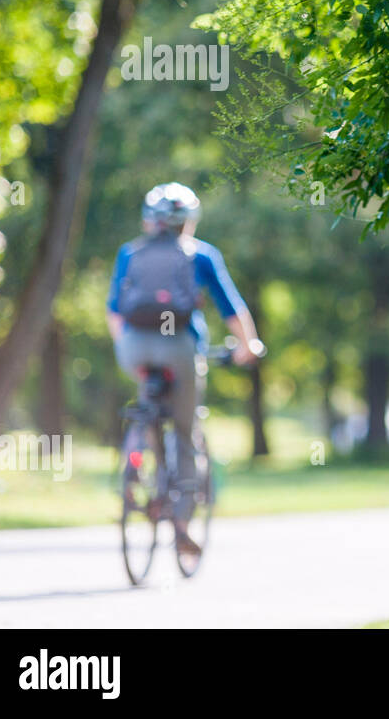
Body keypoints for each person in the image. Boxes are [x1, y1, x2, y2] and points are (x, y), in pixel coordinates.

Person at [107, 183, 261, 556]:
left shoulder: (130, 252)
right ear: (188, 222)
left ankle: (136, 457)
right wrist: (248, 345)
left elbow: (114, 311)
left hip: (134, 348)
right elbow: (230, 307)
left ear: (150, 222)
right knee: (185, 426)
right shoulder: (200, 255)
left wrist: (126, 349)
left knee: (148, 400)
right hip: (179, 347)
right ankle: (180, 522)